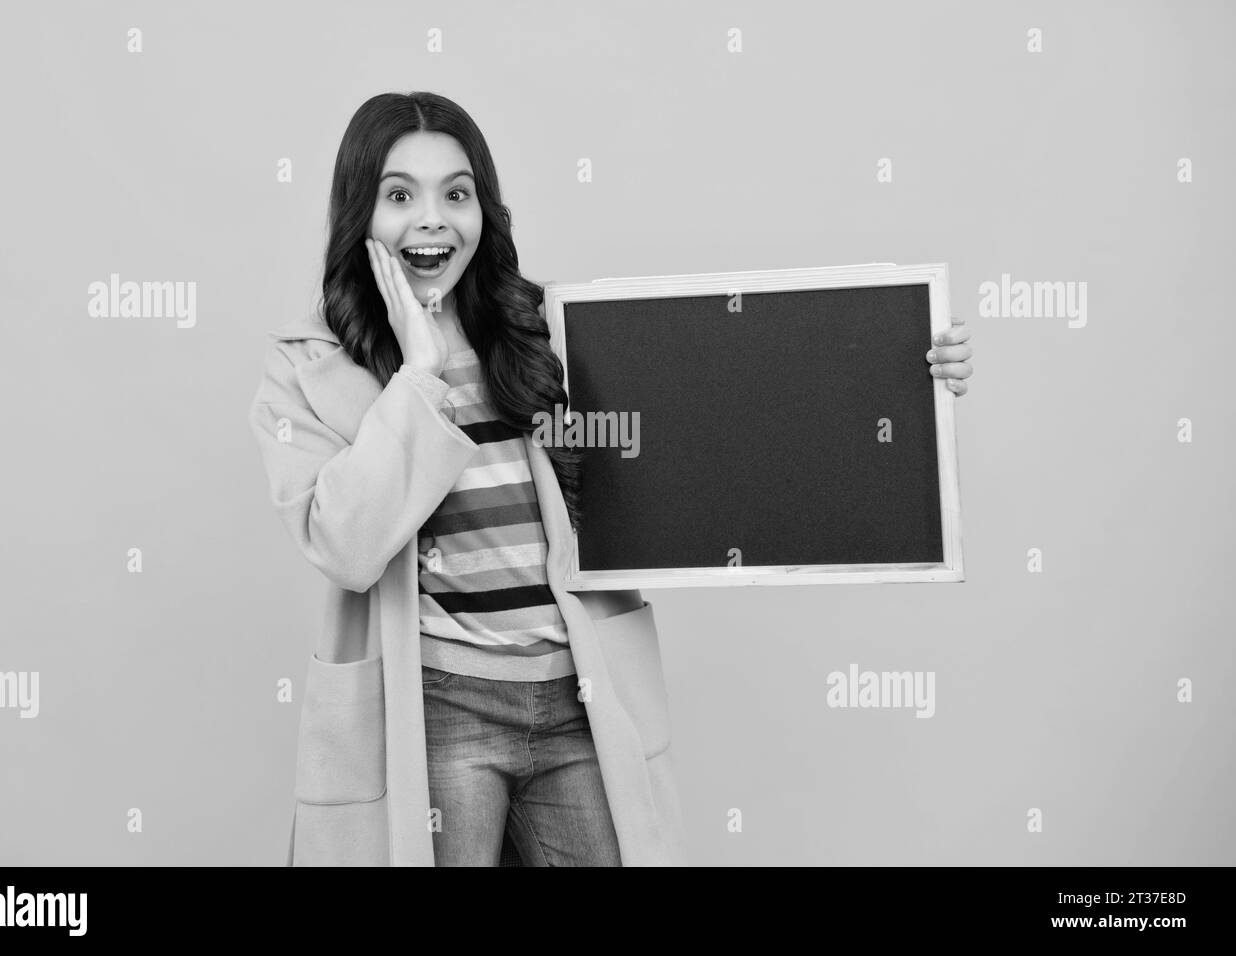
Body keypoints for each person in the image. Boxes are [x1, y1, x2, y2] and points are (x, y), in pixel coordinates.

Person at [249, 90, 974, 868]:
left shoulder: (546, 330)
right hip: (439, 704)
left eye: (456, 194)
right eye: (400, 195)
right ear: (359, 210)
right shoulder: (308, 367)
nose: (432, 219)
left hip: (579, 697)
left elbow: (731, 412)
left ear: (484, 212)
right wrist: (420, 374)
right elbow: (344, 544)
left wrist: (904, 368)